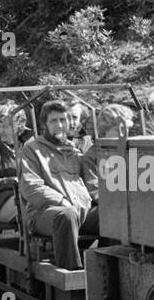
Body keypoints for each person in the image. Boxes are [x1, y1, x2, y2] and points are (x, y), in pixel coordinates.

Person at [19, 99, 99, 269]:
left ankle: (104, 265)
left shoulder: (75, 152)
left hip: (80, 210)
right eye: (53, 121)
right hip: (45, 213)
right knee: (67, 215)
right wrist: (61, 201)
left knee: (111, 215)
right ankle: (72, 272)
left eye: (63, 120)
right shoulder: (32, 150)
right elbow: (31, 187)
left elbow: (90, 183)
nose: (60, 125)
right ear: (44, 125)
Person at [0, 102, 27, 224]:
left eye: (7, 126)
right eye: (0, 125)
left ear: (18, 125)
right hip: (1, 201)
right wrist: (12, 181)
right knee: (28, 200)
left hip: (27, 193)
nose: (2, 130)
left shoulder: (28, 147)